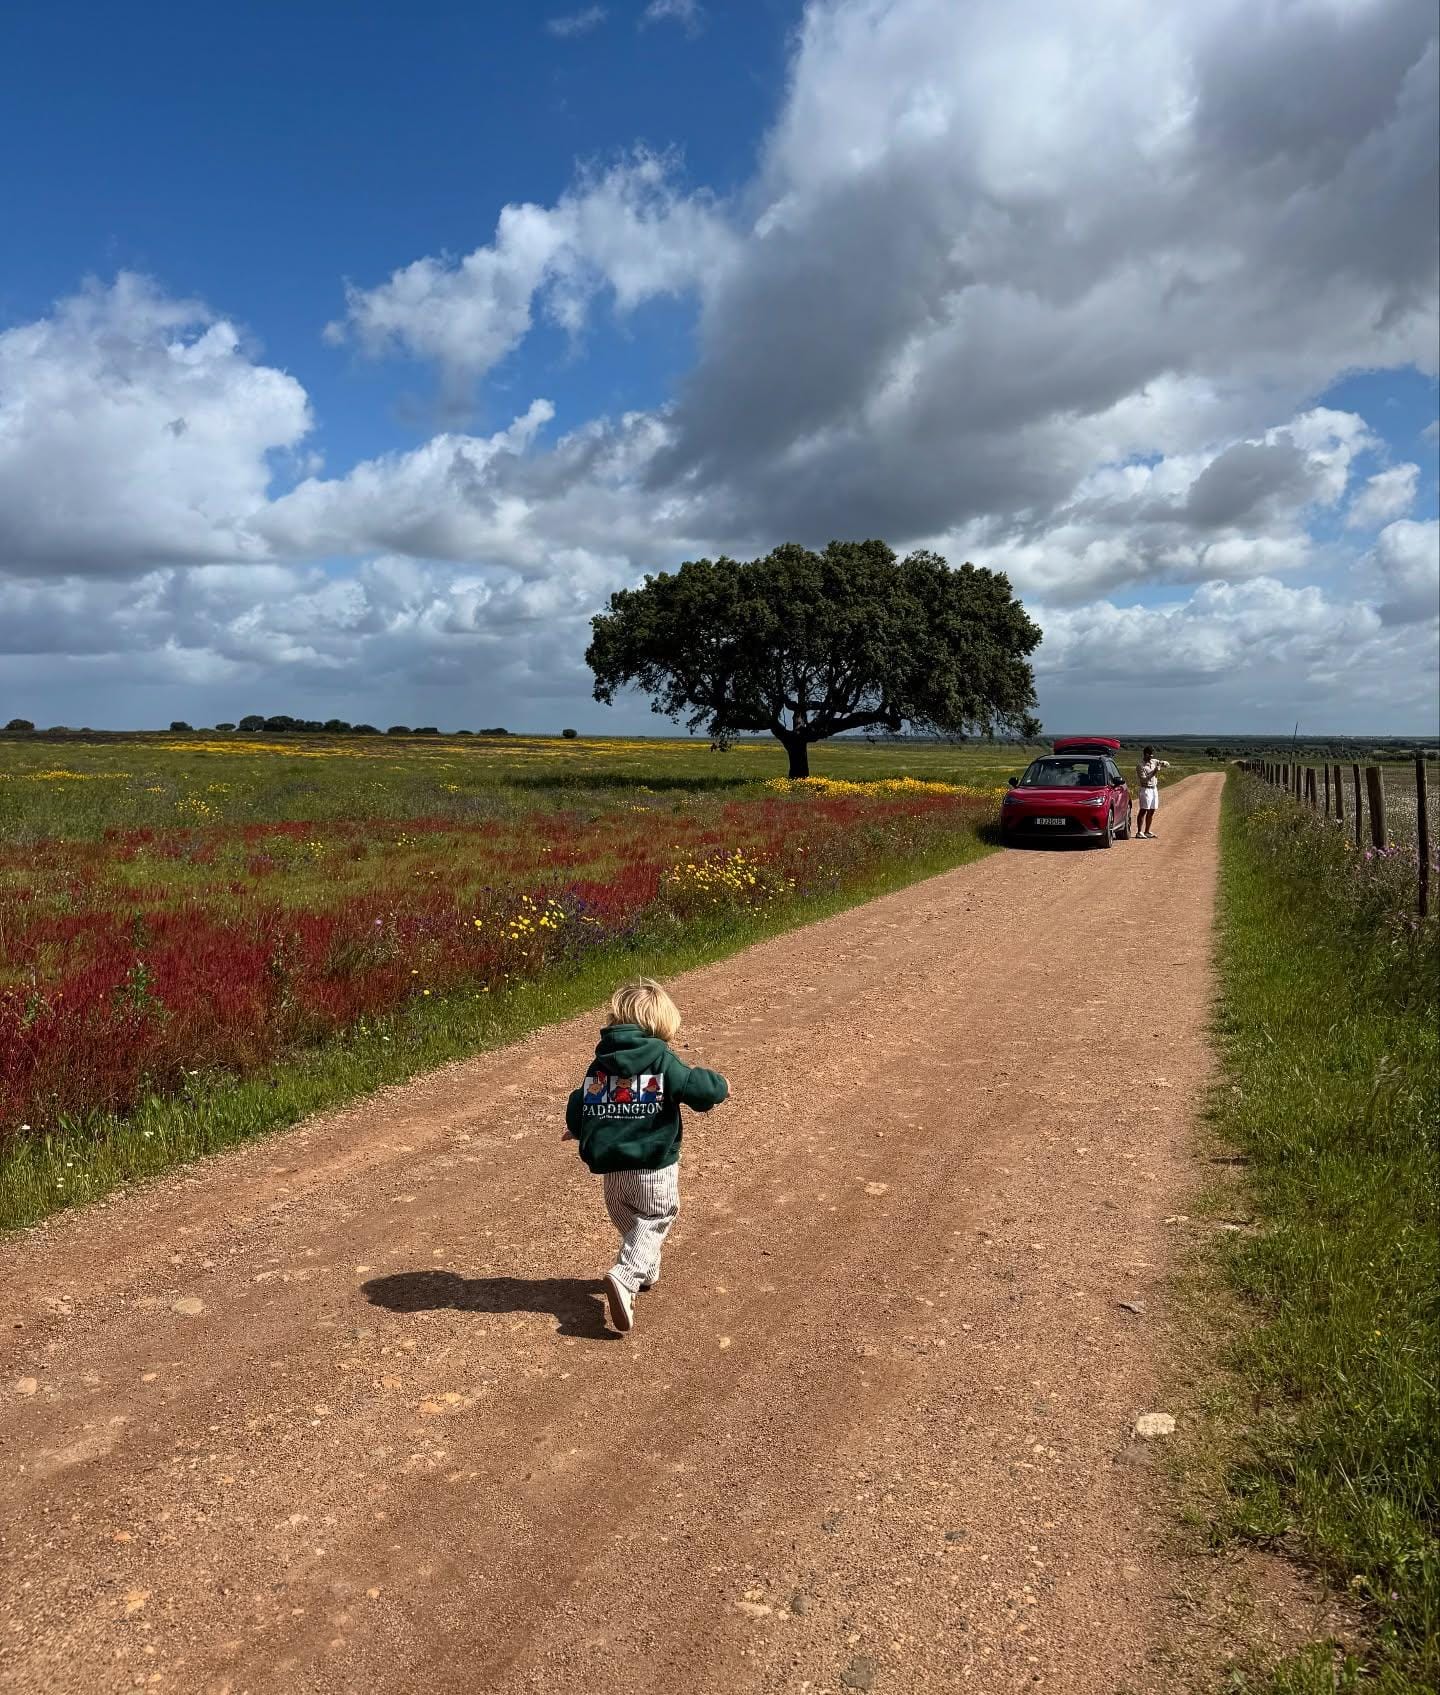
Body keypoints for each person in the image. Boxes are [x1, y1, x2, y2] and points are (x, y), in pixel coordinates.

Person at [564, 978, 729, 1334]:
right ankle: (625, 1276)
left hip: (613, 1174)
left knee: (633, 1224)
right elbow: (696, 1088)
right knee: (655, 1217)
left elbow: (581, 1100)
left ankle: (645, 1268)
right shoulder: (661, 1058)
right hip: (653, 1168)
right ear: (661, 1024)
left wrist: (577, 1127)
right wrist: (720, 1086)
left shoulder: (600, 1062)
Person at [1135, 746, 1170, 838]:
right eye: (1150, 755)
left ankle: (1147, 831)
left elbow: (1167, 764)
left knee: (1152, 810)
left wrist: (1163, 763)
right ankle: (1139, 832)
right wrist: (1154, 772)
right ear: (1145, 754)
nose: (1151, 757)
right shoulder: (1140, 765)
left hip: (1154, 789)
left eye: (1152, 755)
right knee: (1144, 810)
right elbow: (1143, 779)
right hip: (1145, 789)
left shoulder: (1154, 761)